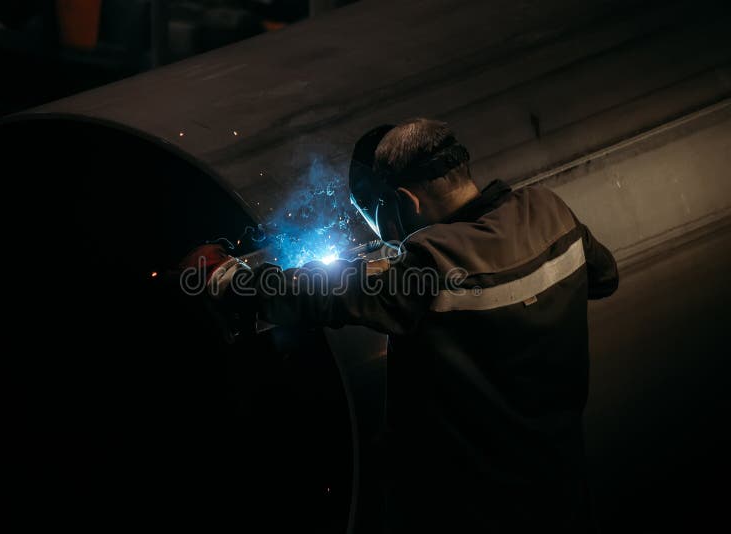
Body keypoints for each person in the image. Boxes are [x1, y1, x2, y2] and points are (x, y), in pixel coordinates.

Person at [183, 118, 619, 532]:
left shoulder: (432, 265)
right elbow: (603, 278)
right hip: (562, 493)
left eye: (370, 215)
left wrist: (231, 279)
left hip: (473, 513)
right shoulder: (550, 211)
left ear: (405, 201)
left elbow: (320, 291)